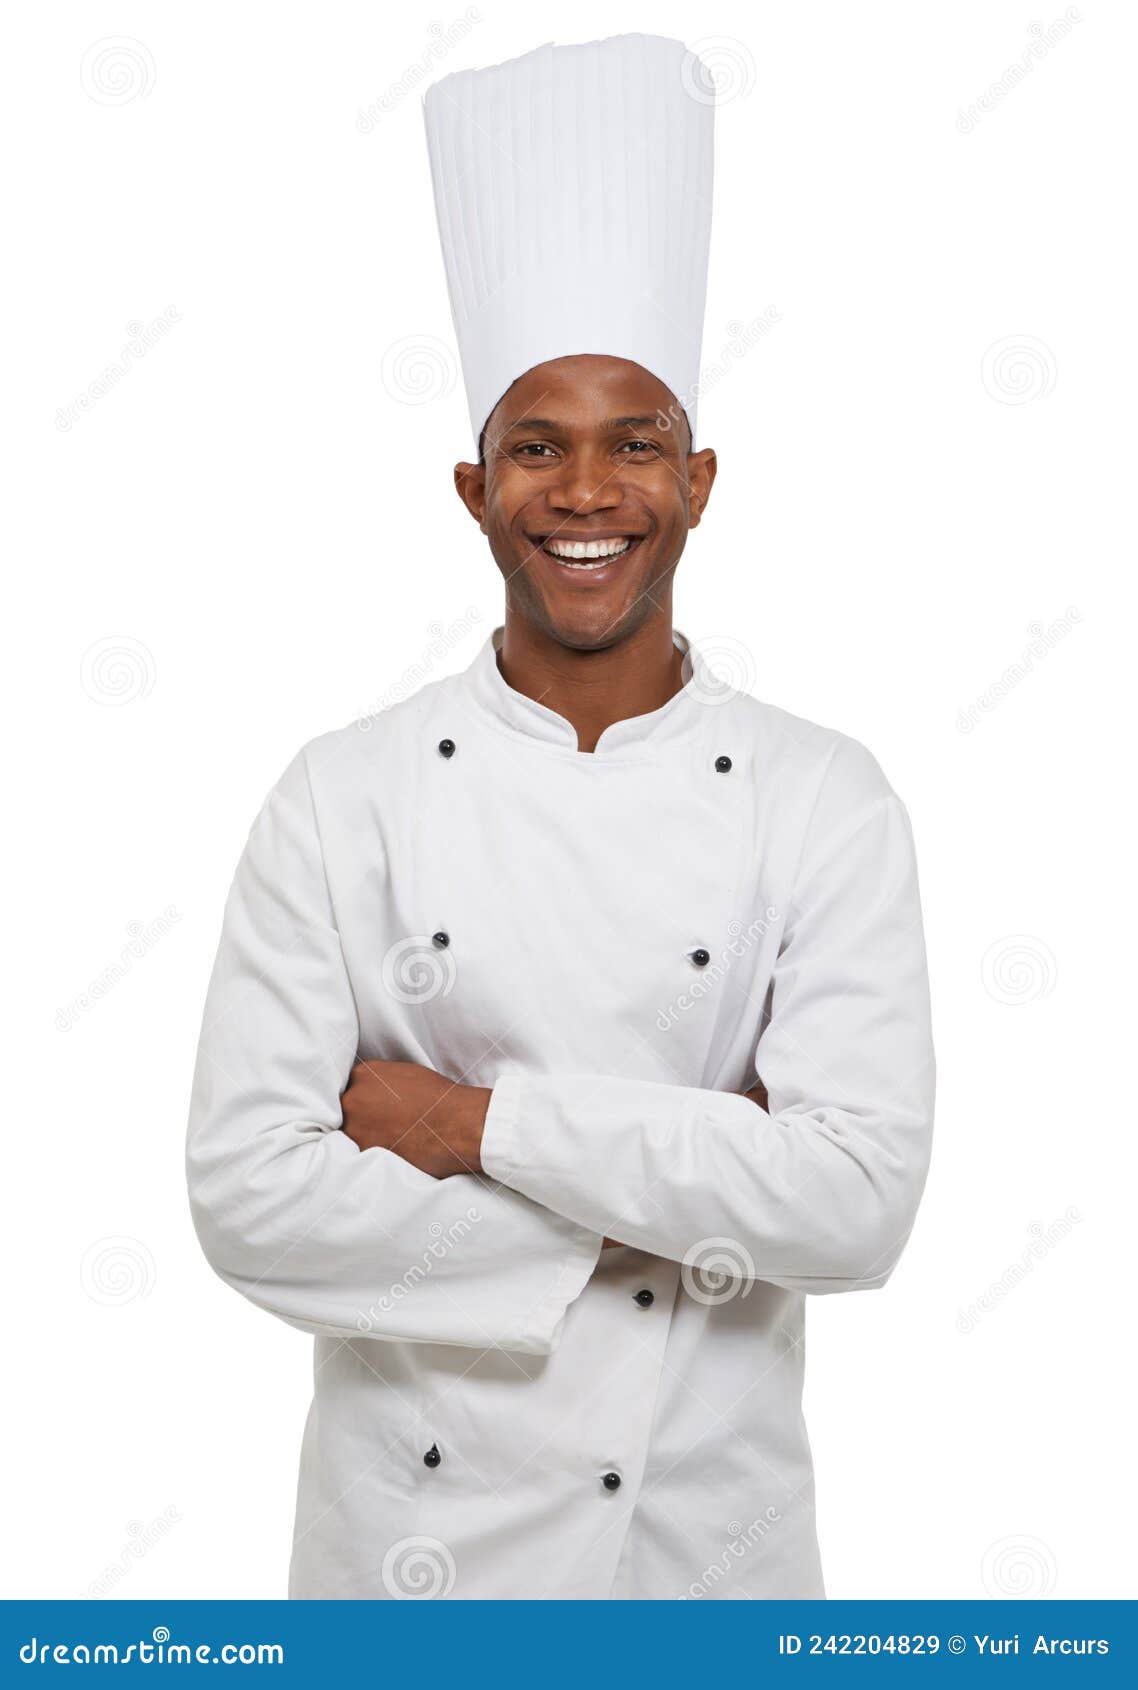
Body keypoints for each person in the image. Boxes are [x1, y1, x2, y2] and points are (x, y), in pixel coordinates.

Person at [186, 33, 935, 1601]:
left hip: (707, 1569)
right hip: (407, 1570)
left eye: (632, 442)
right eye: (536, 444)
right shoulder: (346, 793)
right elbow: (250, 1198)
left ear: (699, 479)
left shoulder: (822, 799)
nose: (584, 491)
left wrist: (469, 1128)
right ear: (474, 487)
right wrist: (682, 1193)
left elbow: (855, 1203)